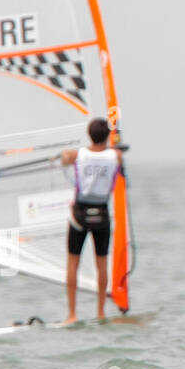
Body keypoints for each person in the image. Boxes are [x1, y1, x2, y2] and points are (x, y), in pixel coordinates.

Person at [56, 117, 123, 323]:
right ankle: (101, 312)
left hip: (80, 215)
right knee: (101, 263)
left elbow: (65, 157)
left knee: (72, 263)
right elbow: (116, 151)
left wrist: (63, 155)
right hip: (102, 214)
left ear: (89, 135)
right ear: (107, 136)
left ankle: (72, 314)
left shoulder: (79, 155)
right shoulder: (116, 156)